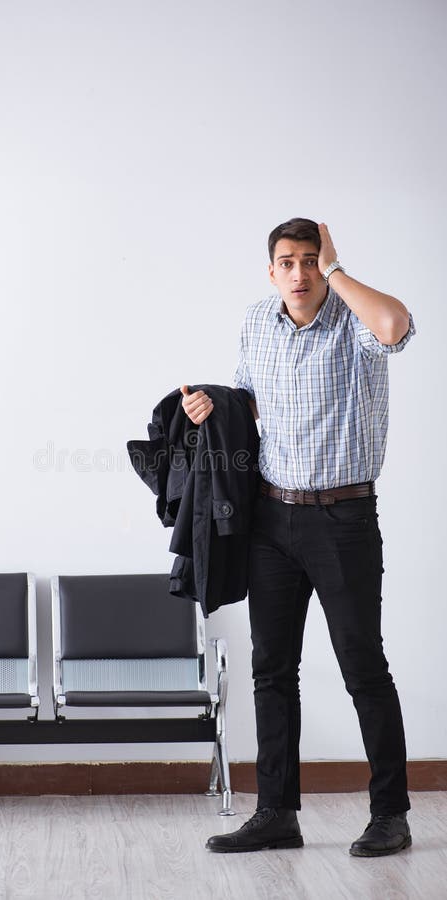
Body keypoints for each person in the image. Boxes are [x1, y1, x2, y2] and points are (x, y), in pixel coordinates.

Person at [181, 218, 415, 857]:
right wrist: (211, 407)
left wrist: (339, 271)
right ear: (271, 271)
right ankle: (276, 813)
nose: (299, 273)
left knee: (362, 666)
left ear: (326, 263)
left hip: (343, 521)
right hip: (271, 520)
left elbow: (395, 326)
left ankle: (390, 815)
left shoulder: (354, 321)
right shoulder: (258, 320)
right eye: (288, 262)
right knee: (272, 670)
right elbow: (250, 403)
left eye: (311, 260)